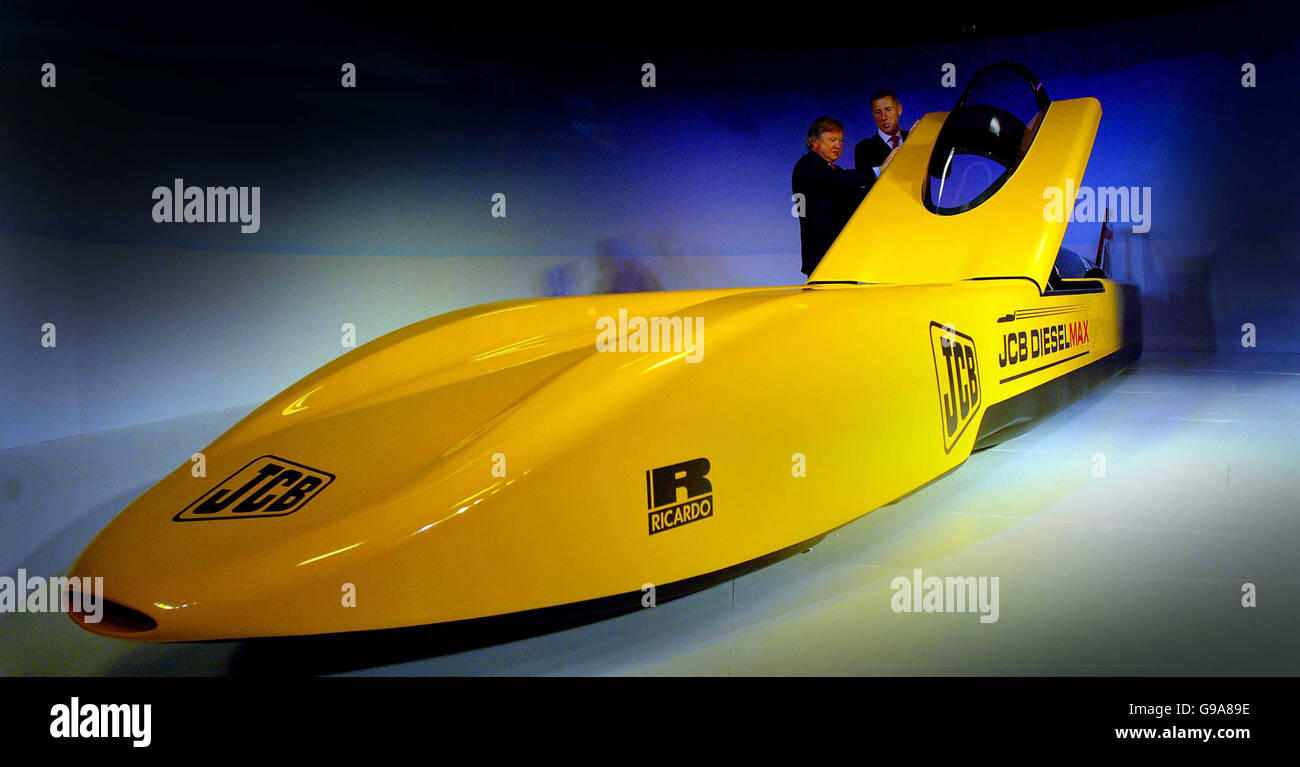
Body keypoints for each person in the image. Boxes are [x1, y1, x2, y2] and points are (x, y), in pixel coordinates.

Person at [792, 116, 873, 277]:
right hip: (823, 259)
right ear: (815, 142)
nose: (838, 145)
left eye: (841, 140)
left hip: (841, 258)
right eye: (832, 140)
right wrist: (877, 171)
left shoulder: (834, 171)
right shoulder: (808, 166)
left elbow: (856, 196)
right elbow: (839, 181)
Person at [854, 89, 907, 176]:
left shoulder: (913, 138)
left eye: (888, 109)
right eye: (878, 112)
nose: (884, 117)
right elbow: (868, 184)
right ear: (873, 115)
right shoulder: (864, 149)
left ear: (899, 109)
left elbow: (936, 172)